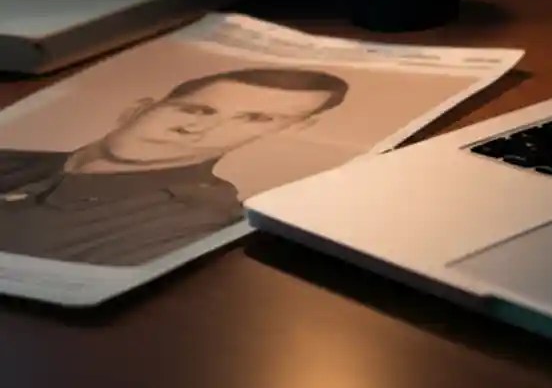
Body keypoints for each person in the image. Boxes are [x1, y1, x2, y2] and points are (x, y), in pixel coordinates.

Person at [0, 68, 349, 267]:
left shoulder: (188, 220)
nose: (196, 129)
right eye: (195, 110)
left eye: (254, 119)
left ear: (283, 132)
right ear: (139, 109)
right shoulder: (15, 158)